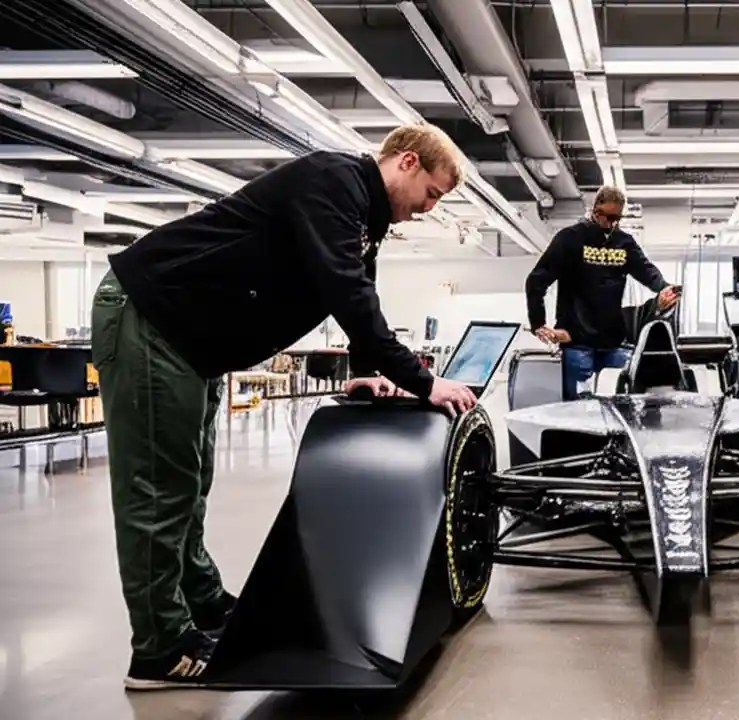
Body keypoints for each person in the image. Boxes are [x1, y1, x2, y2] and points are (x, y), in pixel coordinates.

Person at [90, 122, 479, 690]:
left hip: (192, 340)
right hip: (152, 316)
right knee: (157, 492)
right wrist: (423, 382)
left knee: (189, 483)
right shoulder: (334, 182)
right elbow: (346, 290)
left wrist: (367, 372)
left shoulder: (364, 217)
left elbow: (359, 291)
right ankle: (159, 650)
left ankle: (201, 602)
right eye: (432, 194)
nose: (429, 208)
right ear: (407, 162)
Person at [525, 186, 680, 399]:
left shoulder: (624, 243)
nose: (611, 224)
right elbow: (536, 281)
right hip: (577, 342)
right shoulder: (570, 239)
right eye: (606, 217)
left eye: (617, 218)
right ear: (595, 210)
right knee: (577, 410)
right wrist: (538, 324)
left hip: (613, 343)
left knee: (624, 406)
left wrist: (664, 288)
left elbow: (647, 271)